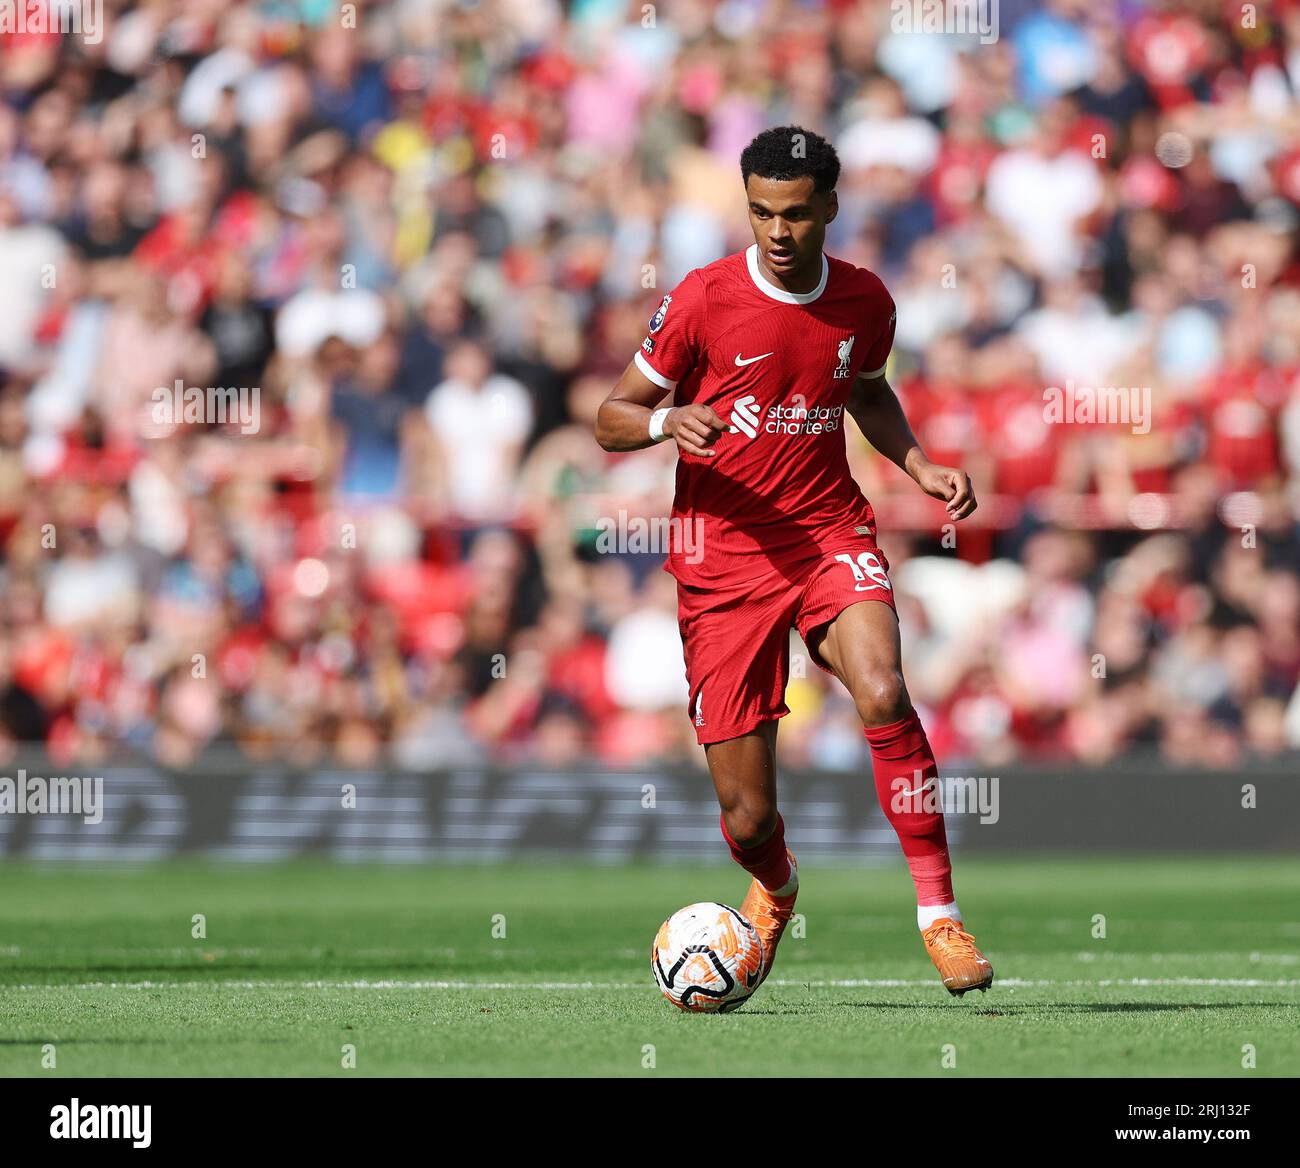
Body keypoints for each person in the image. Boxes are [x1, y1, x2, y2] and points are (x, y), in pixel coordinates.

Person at [595, 126, 993, 998]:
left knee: (885, 689)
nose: (777, 230)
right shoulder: (702, 300)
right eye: (762, 211)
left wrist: (919, 464)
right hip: (721, 562)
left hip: (826, 535)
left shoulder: (865, 301)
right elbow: (612, 414)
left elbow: (866, 387)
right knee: (746, 814)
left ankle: (940, 916)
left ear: (830, 210)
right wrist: (667, 422)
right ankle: (775, 890)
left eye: (796, 214)